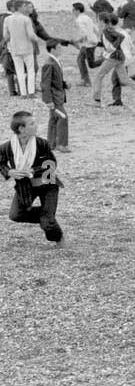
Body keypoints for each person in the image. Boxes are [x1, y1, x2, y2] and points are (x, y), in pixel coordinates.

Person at [0, 109, 63, 243]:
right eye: (32, 124)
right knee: (15, 215)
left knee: (48, 224)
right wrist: (10, 171)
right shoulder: (7, 147)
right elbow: (1, 163)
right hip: (26, 186)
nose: (36, 126)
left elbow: (51, 164)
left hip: (47, 183)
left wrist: (33, 171)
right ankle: (47, 216)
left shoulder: (42, 143)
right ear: (21, 129)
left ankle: (57, 235)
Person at [37, 43, 69, 152]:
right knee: (63, 117)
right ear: (52, 49)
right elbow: (45, 84)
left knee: (53, 119)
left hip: (57, 96)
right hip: (54, 98)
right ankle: (61, 144)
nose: (61, 49)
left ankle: (51, 144)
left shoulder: (55, 61)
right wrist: (48, 100)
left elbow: (54, 80)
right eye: (59, 47)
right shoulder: (49, 64)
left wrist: (64, 84)